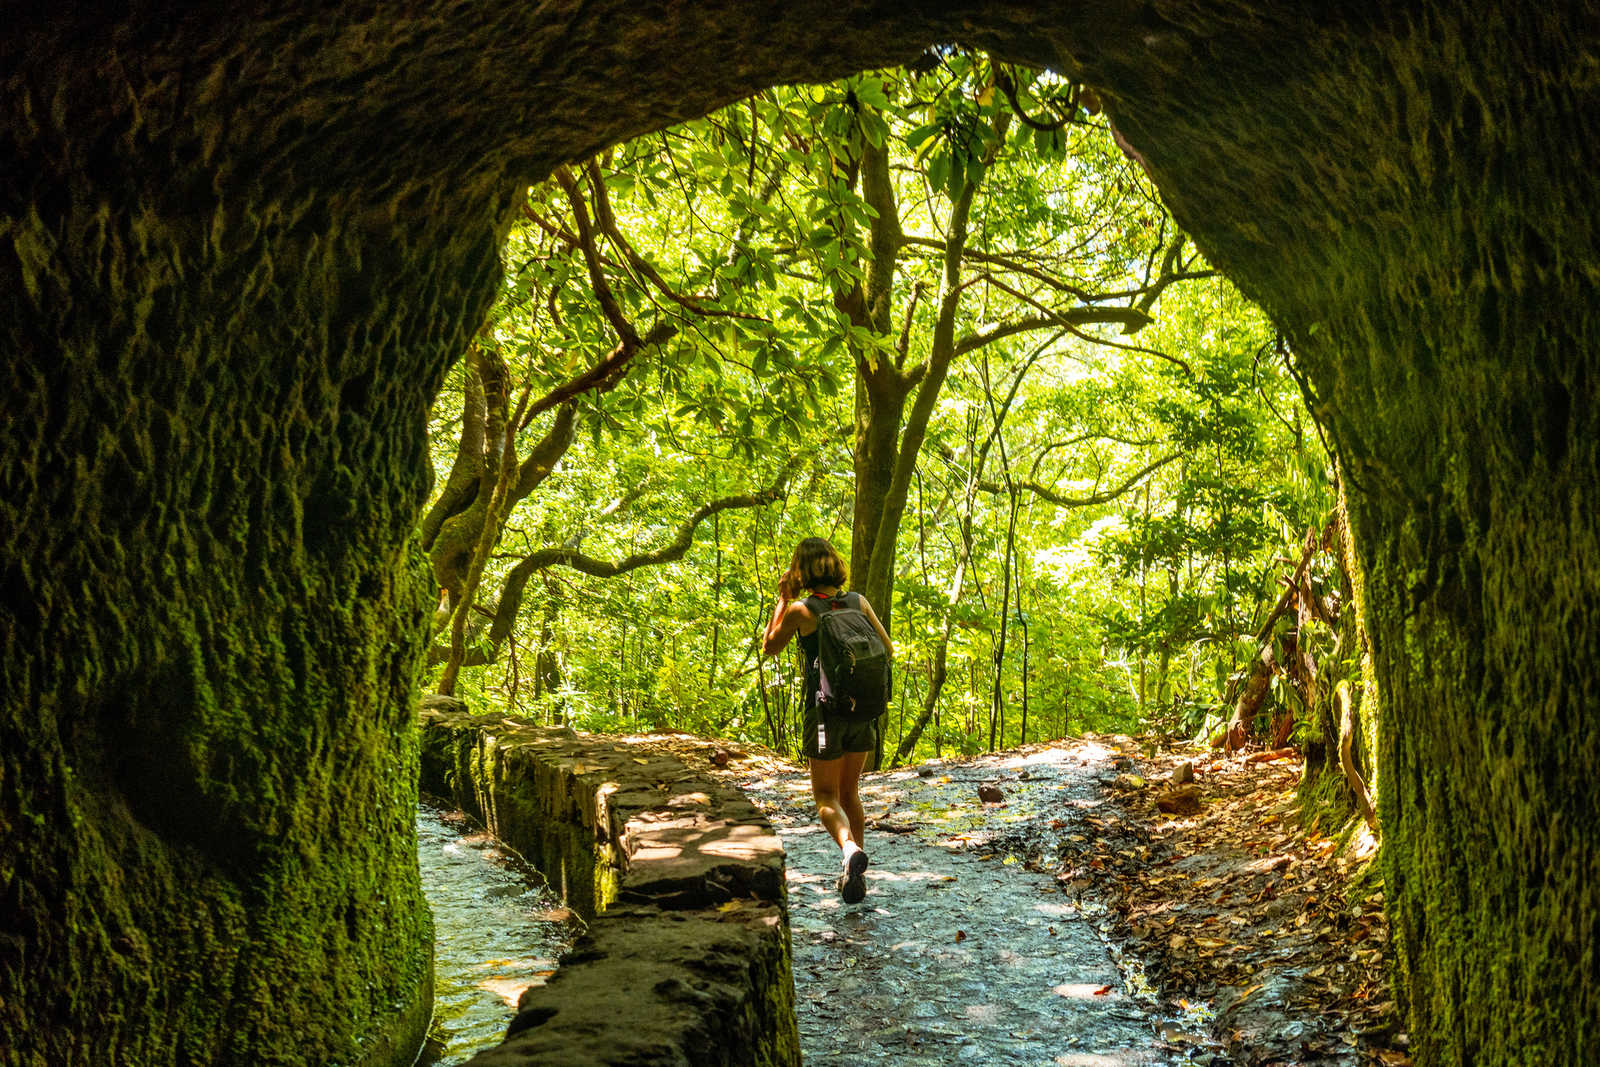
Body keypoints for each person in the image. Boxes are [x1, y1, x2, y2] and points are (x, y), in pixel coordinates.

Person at [762, 536, 893, 904]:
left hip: (824, 714)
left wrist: (783, 598)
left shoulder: (801, 612)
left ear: (802, 571)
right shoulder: (859, 601)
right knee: (850, 794)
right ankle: (857, 877)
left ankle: (849, 850)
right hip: (863, 710)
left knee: (825, 796)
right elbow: (888, 649)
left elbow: (769, 646)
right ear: (834, 566)